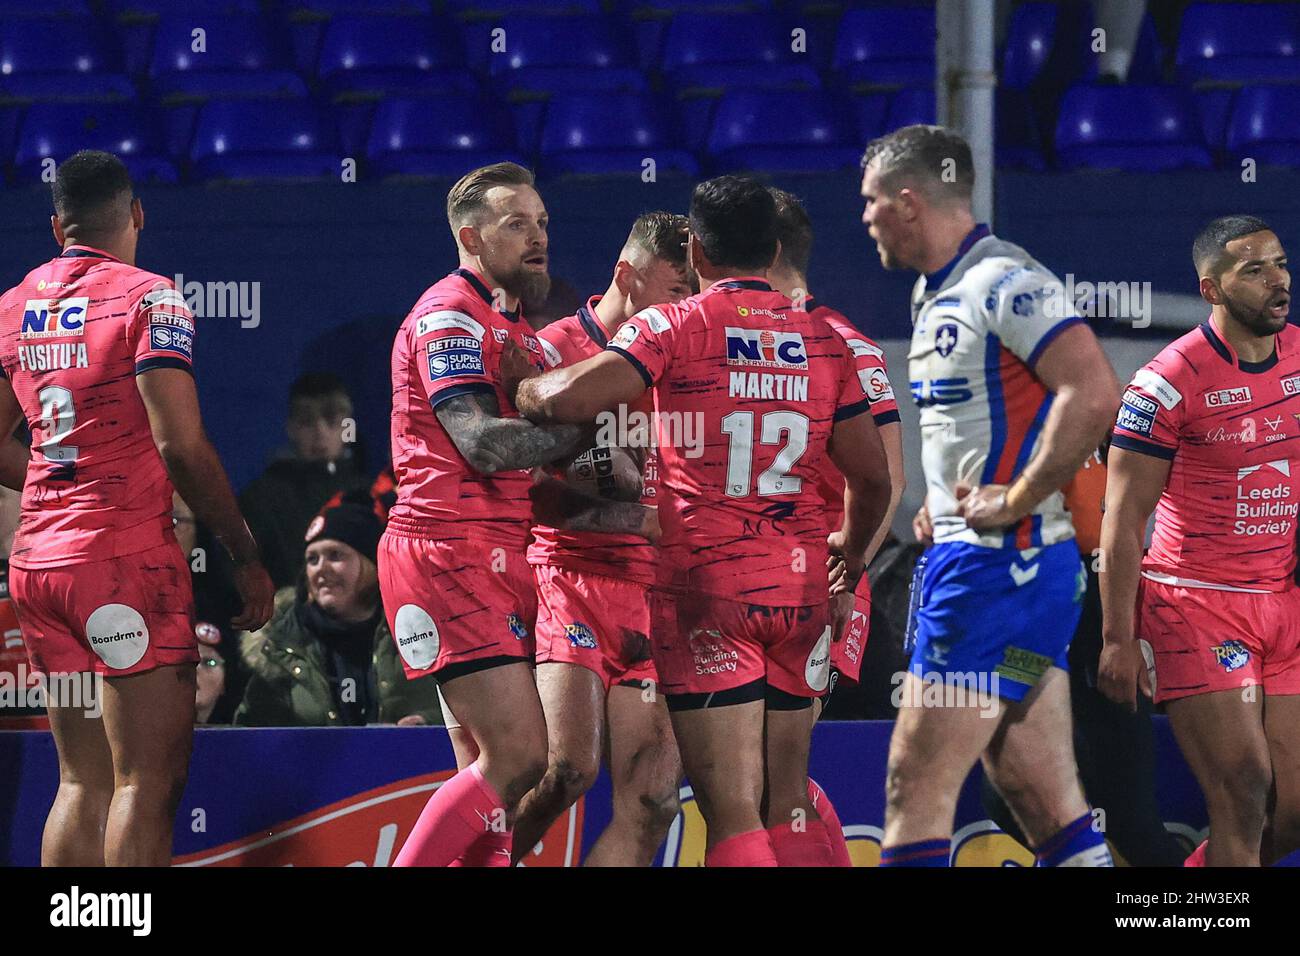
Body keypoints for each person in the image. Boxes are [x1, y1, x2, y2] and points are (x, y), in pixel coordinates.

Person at [514, 175, 892, 867]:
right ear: (774, 246)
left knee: (734, 811)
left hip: (707, 594)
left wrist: (527, 387)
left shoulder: (673, 323)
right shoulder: (825, 339)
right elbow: (874, 479)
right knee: (788, 798)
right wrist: (854, 555)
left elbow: (570, 399)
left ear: (696, 248)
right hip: (801, 590)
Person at [0, 149, 273, 866]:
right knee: (146, 782)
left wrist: (55, 477)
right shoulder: (150, 298)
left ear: (58, 226)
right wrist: (244, 552)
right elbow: (180, 445)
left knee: (80, 780)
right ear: (138, 215)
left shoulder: (15, 302)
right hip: (122, 566)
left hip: (38, 568)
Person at [860, 125, 1120, 867]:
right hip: (993, 563)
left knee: (916, 787)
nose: (867, 217)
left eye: (873, 201)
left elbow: (1093, 391)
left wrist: (1018, 496)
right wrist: (943, 501)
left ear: (909, 202)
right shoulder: (931, 292)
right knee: (1041, 794)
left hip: (995, 568)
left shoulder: (1004, 281)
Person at [380, 162, 594, 867]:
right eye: (516, 225)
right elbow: (478, 442)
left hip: (497, 554)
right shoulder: (448, 316)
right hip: (446, 550)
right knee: (523, 757)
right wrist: (579, 431)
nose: (537, 237)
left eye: (542, 223)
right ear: (470, 236)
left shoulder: (513, 326)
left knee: (488, 774)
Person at [1100, 215, 1300, 867]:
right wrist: (1117, 639)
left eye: (1280, 263)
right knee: (1244, 790)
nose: (1279, 280)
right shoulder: (1165, 382)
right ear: (1211, 291)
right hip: (1196, 603)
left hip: (1284, 600)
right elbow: (1123, 521)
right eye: (1255, 270)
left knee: (1290, 809)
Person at [508, 211, 693, 866]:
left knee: (653, 802)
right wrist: (619, 507)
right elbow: (518, 493)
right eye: (678, 291)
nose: (690, 307)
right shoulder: (550, 355)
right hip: (571, 578)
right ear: (627, 277)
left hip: (655, 596)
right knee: (566, 774)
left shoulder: (687, 358)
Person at [767, 186, 906, 867]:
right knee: (755, 779)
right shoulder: (719, 337)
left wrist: (845, 575)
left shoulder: (846, 344)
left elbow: (890, 479)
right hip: (741, 587)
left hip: (818, 587)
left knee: (769, 777)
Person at [972, 449, 1187, 866]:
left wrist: (1121, 641)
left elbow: (1110, 525)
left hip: (1101, 615)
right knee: (1003, 796)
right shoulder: (1000, 425)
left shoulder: (1109, 416)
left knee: (1134, 821)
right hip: (1028, 615)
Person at [235, 502, 442, 727]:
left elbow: (472, 711)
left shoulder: (420, 632)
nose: (321, 568)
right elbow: (248, 736)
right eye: (312, 560)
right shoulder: (280, 646)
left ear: (372, 565)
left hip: (414, 762)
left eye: (335, 556)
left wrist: (426, 724)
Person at [240, 372, 365, 588]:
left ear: (348, 427)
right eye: (307, 422)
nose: (320, 432)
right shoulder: (262, 498)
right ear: (291, 429)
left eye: (331, 421)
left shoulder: (369, 495)